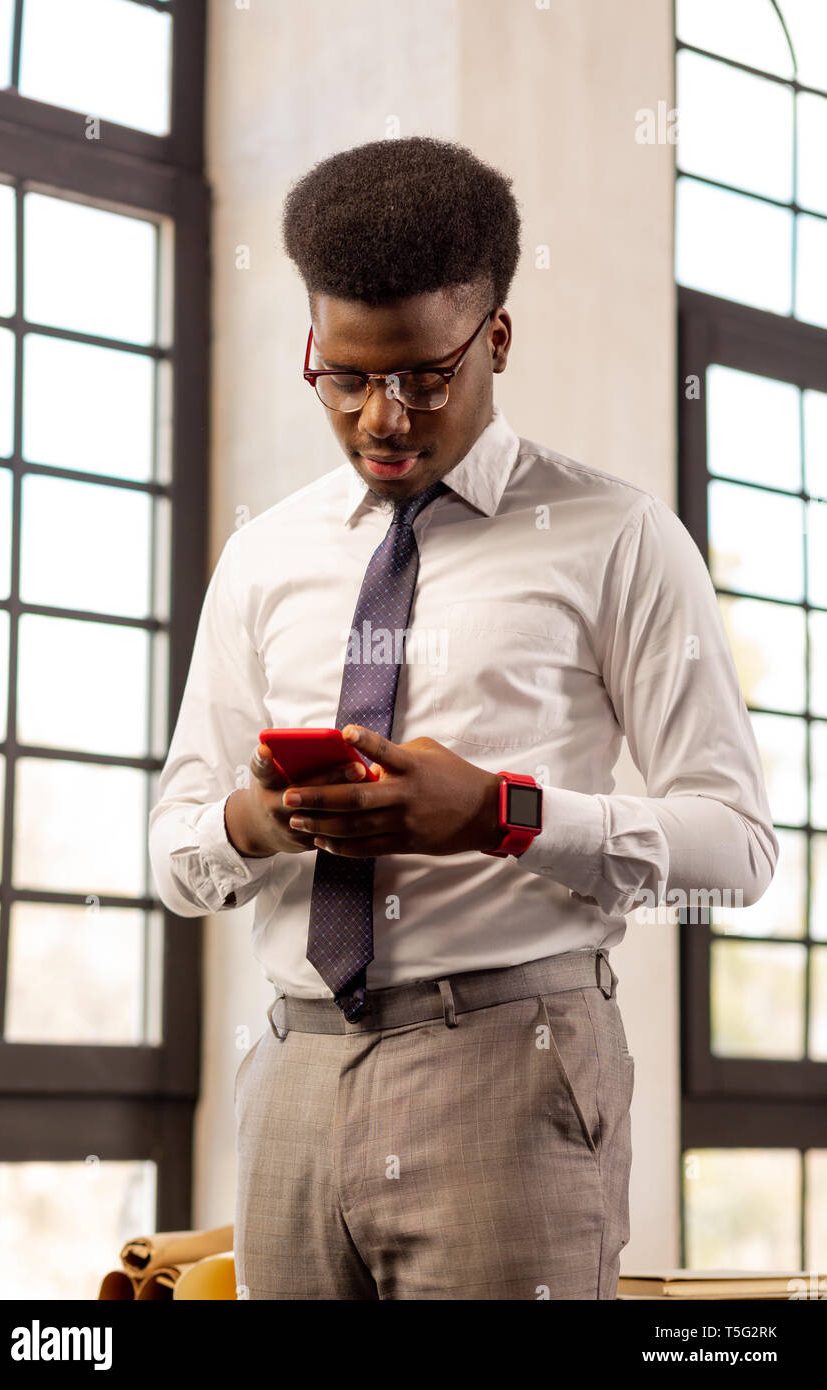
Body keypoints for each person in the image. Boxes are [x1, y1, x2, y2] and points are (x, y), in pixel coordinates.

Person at [148, 136, 777, 1301]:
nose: (381, 419)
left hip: (510, 1068)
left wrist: (497, 812)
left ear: (492, 337)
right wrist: (263, 820)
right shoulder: (262, 555)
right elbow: (178, 851)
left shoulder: (615, 538)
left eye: (422, 378)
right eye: (344, 376)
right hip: (291, 1076)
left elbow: (735, 850)